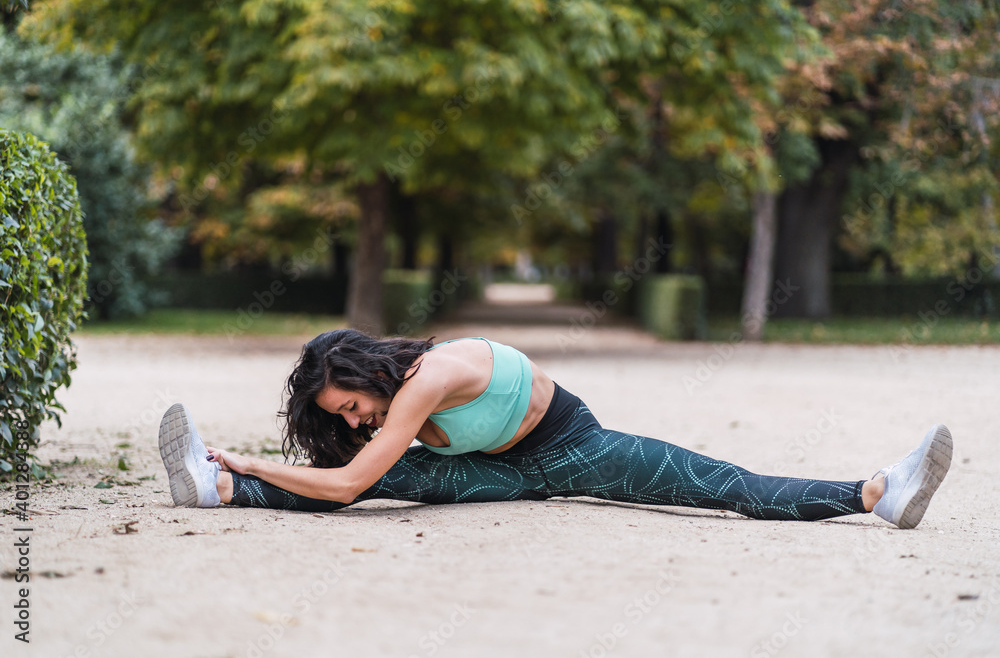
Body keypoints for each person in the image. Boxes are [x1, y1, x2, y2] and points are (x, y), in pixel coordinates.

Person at [157, 330, 953, 529]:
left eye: (349, 406)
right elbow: (359, 478)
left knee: (720, 485)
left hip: (575, 450)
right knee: (383, 481)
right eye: (340, 418)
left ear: (369, 374)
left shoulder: (430, 376)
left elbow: (350, 477)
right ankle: (217, 485)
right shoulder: (399, 406)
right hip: (500, 473)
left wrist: (262, 453)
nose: (354, 419)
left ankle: (875, 491)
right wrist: (252, 467)